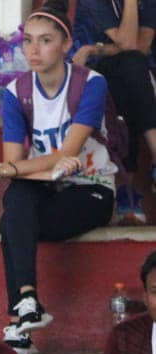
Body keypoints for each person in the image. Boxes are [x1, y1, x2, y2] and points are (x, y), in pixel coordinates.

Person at [0, 1, 117, 354]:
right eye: (28, 40)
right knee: (17, 201)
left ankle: (20, 318)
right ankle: (28, 303)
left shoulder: (90, 84)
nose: (33, 49)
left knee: (11, 221)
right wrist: (14, 170)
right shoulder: (17, 91)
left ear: (66, 44)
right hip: (44, 186)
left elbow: (65, 153)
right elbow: (16, 161)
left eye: (45, 40)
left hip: (90, 191)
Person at [73, 0, 156, 222]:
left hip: (136, 73)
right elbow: (129, 42)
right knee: (127, 76)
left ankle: (127, 192)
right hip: (94, 71)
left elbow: (141, 46)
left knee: (133, 68)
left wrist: (98, 47)